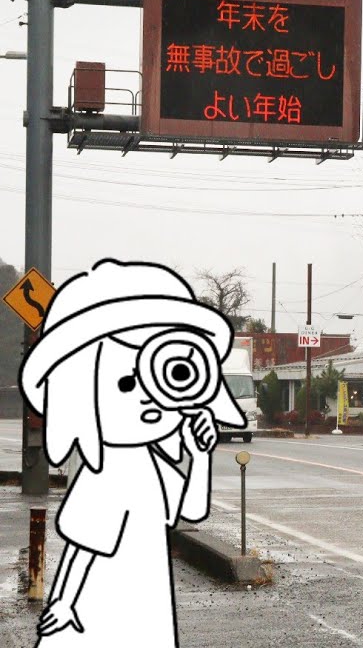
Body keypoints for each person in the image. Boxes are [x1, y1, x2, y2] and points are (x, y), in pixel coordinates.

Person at [20, 259, 245, 647]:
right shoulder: (107, 471)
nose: (148, 395)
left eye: (170, 374)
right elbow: (83, 548)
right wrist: (66, 602)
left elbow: (188, 510)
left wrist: (199, 452)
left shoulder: (148, 462)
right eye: (126, 380)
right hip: (105, 605)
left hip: (147, 604)